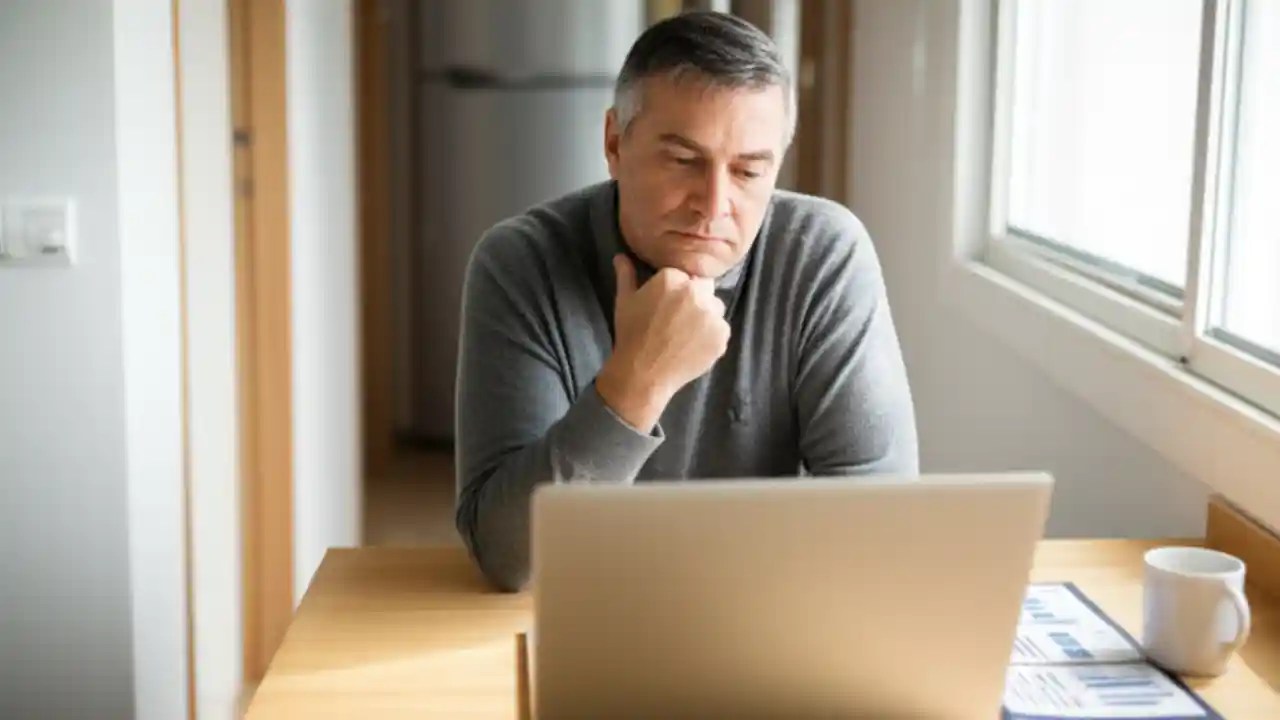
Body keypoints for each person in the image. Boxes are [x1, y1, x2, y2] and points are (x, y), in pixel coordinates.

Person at [455, 11, 918, 591]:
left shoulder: (823, 254)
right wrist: (637, 382)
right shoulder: (520, 262)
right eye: (683, 161)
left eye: (748, 172)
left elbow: (881, 521)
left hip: (764, 612)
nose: (713, 204)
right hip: (585, 608)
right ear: (614, 143)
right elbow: (506, 557)